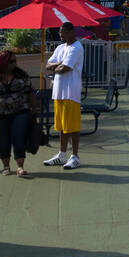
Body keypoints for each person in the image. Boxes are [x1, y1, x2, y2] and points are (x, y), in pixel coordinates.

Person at [43, 22, 85, 169]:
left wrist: (58, 65)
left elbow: (65, 68)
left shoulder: (77, 47)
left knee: (72, 127)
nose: (60, 35)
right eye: (60, 33)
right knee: (62, 126)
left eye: (63, 32)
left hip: (71, 92)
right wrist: (58, 64)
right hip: (58, 92)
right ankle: (62, 155)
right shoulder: (60, 47)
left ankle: (75, 156)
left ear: (72, 32)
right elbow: (48, 65)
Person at [0, 50, 36, 176]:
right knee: (4, 140)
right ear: (3, 62)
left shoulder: (22, 75)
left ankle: (20, 167)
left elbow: (30, 92)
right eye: (11, 61)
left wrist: (34, 110)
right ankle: (6, 166)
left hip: (20, 111)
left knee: (18, 138)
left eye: (15, 61)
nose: (14, 63)